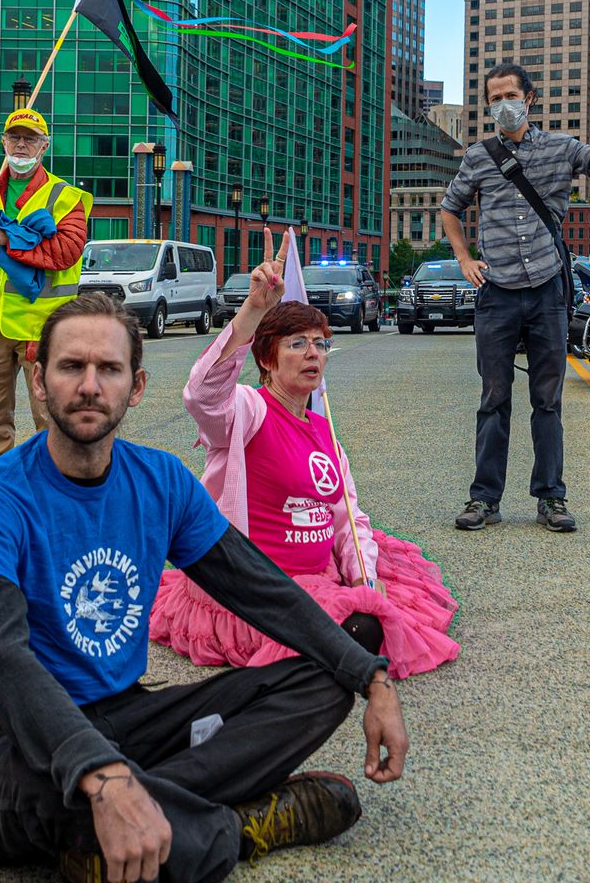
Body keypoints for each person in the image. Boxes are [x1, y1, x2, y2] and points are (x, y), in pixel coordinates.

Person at [0, 291, 408, 883]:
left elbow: (262, 591)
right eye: (71, 366)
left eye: (108, 369)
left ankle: (134, 821)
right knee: (70, 800)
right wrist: (98, 774)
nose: (89, 386)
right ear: (39, 380)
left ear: (135, 387)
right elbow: (1, 660)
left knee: (321, 682)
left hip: (120, 717)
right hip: (3, 747)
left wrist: (372, 677)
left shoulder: (160, 482)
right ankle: (236, 827)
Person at [152, 229, 459, 680]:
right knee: (350, 637)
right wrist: (253, 309)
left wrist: (364, 581)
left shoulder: (324, 430)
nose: (313, 353)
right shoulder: (247, 410)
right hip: (259, 589)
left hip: (321, 580)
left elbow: (348, 518)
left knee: (371, 619)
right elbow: (202, 394)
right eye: (297, 343)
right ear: (267, 359)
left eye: (320, 343)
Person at [440, 61, 590, 534]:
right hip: (497, 292)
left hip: (547, 289)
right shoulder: (478, 156)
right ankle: (484, 498)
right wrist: (464, 258)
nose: (503, 105)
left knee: (547, 399)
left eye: (510, 95)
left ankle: (551, 497)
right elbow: (450, 208)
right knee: (493, 398)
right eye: (494, 99)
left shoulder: (560, 148)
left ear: (529, 99)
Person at [0, 107, 92, 460]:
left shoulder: (65, 195)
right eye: (14, 137)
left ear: (45, 146)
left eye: (30, 138)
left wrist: (7, 238)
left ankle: (56, 481)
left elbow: (67, 251)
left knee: (51, 416)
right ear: (3, 142)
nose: (21, 144)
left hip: (41, 327)